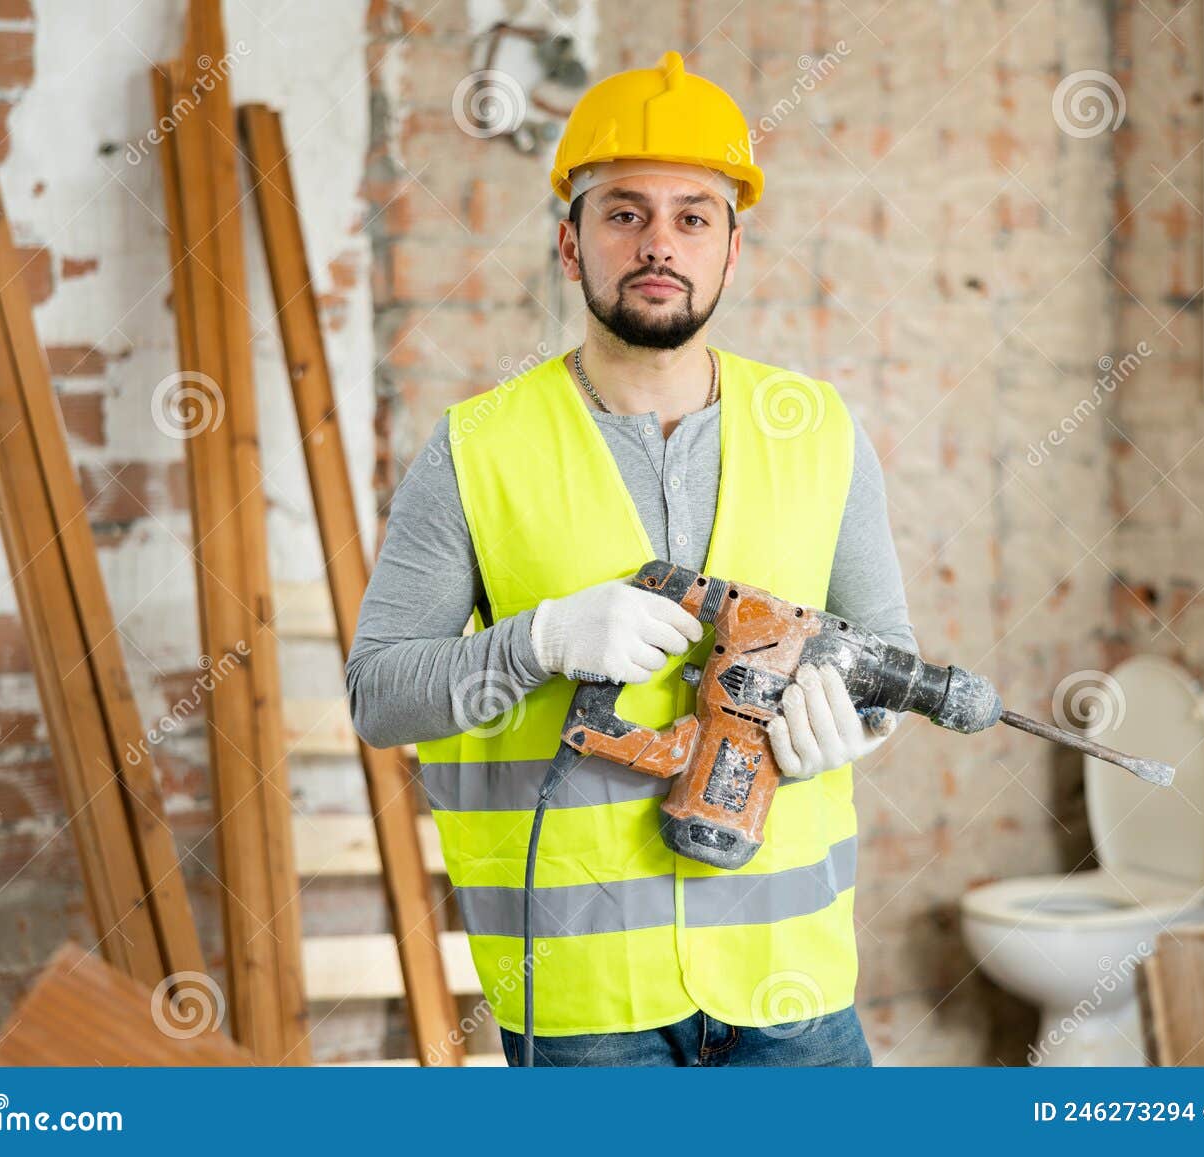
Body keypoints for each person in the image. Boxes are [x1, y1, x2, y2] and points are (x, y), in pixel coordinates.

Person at [347, 50, 917, 1067]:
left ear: (732, 250)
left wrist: (854, 722)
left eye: (693, 215)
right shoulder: (478, 447)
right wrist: (537, 640)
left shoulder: (819, 431)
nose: (659, 241)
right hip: (579, 1000)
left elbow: (886, 657)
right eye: (623, 213)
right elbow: (380, 695)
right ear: (570, 246)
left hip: (791, 987)